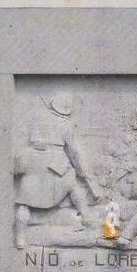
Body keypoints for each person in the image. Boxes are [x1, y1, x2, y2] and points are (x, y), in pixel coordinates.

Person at [13, 92, 100, 249]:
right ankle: (86, 214)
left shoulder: (37, 118)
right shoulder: (67, 125)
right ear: (67, 109)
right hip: (55, 160)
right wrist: (82, 171)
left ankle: (20, 238)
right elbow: (74, 151)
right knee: (72, 184)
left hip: (33, 159)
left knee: (24, 202)